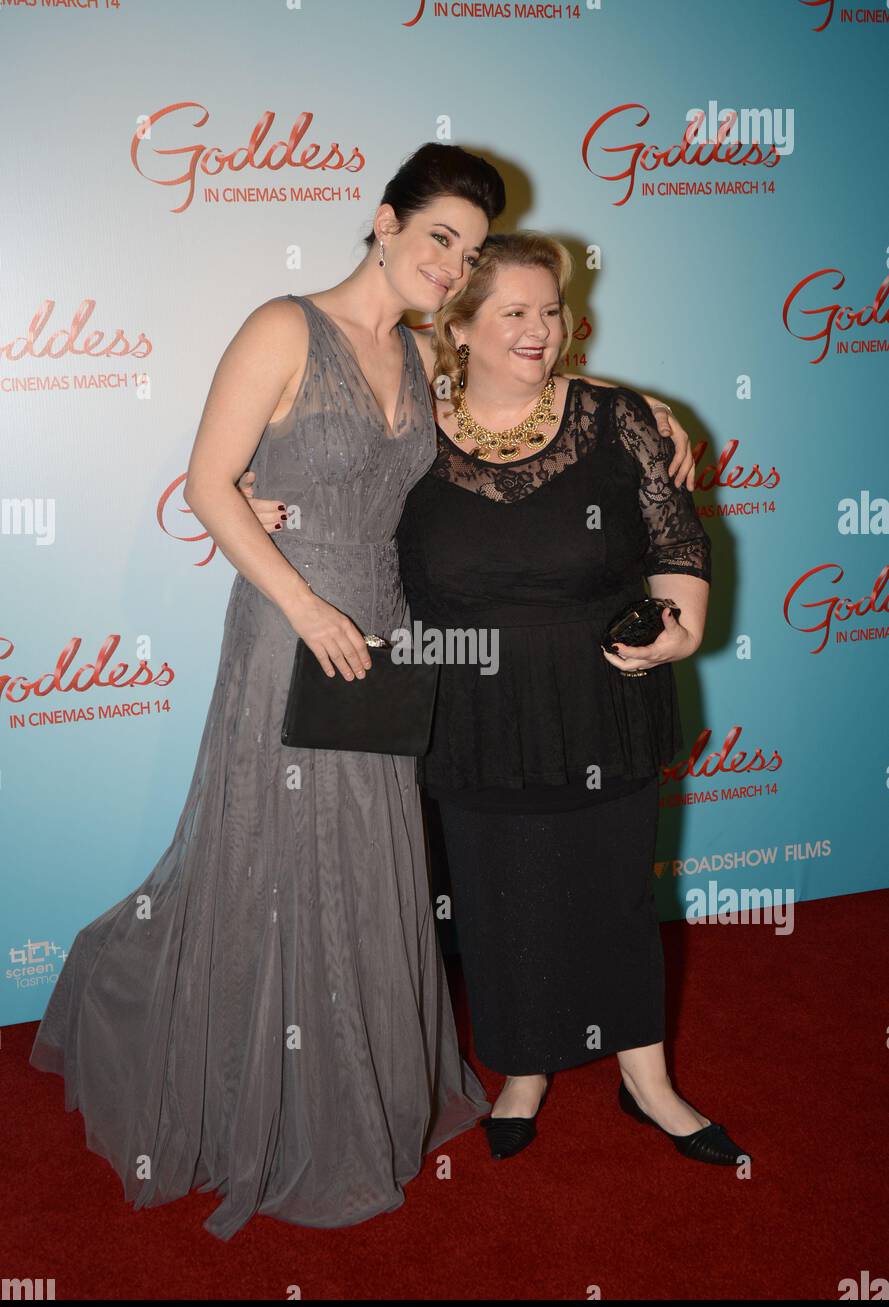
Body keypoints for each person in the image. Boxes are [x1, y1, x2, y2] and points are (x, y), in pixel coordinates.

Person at [29, 143, 503, 1240]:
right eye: (441, 236)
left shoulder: (423, 354)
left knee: (367, 859)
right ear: (383, 222)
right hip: (294, 629)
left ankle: (353, 1088)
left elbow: (503, 423)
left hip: (381, 627)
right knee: (275, 852)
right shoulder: (284, 326)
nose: (453, 265)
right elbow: (207, 480)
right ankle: (224, 1071)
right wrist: (303, 604)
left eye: (470, 253)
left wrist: (647, 424)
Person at [240, 233, 747, 1168]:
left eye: (550, 309)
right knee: (496, 900)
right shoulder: (409, 429)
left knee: (616, 897)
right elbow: (323, 478)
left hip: (602, 692)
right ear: (457, 329)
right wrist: (251, 488)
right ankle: (521, 1071)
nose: (539, 329)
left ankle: (647, 1079)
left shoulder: (619, 416)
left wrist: (677, 626)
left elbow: (675, 540)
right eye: (512, 312)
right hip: (467, 704)